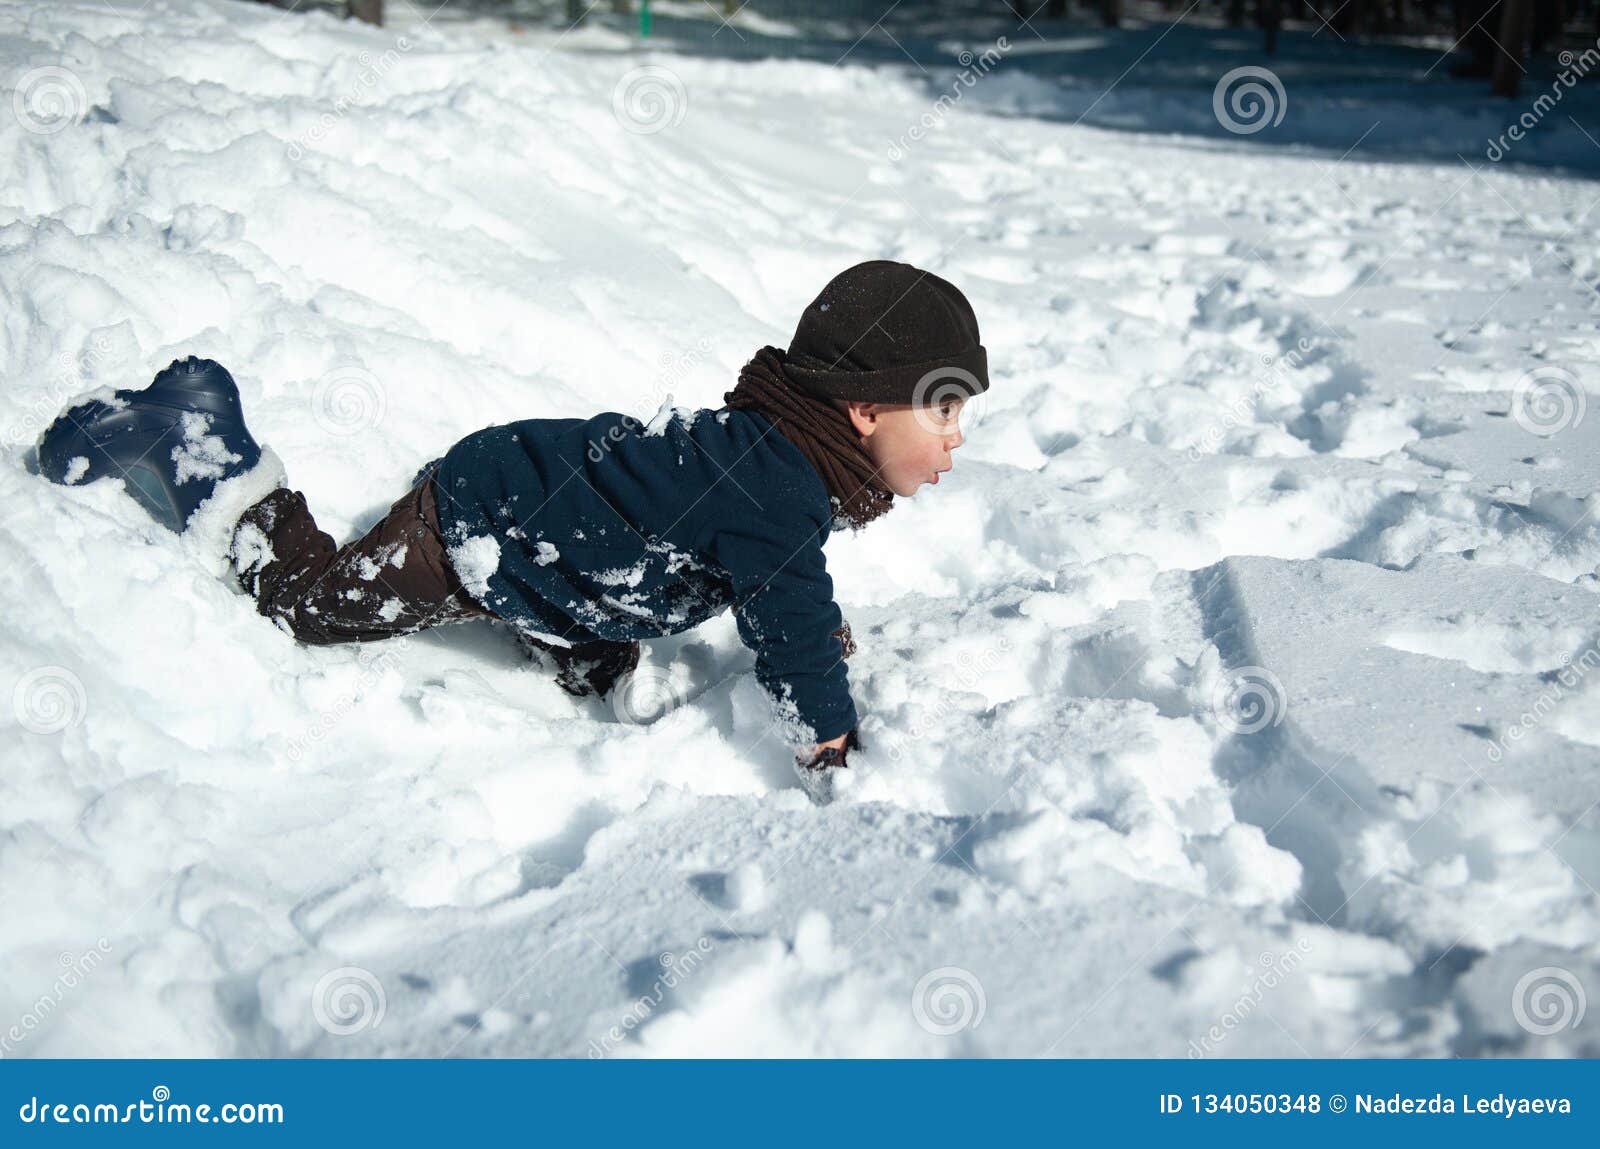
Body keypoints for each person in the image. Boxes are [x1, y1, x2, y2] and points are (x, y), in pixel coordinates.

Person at [35, 260, 987, 803]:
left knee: (600, 649)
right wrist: (830, 743)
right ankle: (198, 445)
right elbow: (789, 624)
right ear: (863, 410)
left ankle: (570, 640)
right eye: (942, 411)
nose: (953, 440)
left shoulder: (779, 470)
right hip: (478, 524)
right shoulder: (775, 486)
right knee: (313, 609)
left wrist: (809, 632)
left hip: (565, 554)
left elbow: (781, 593)